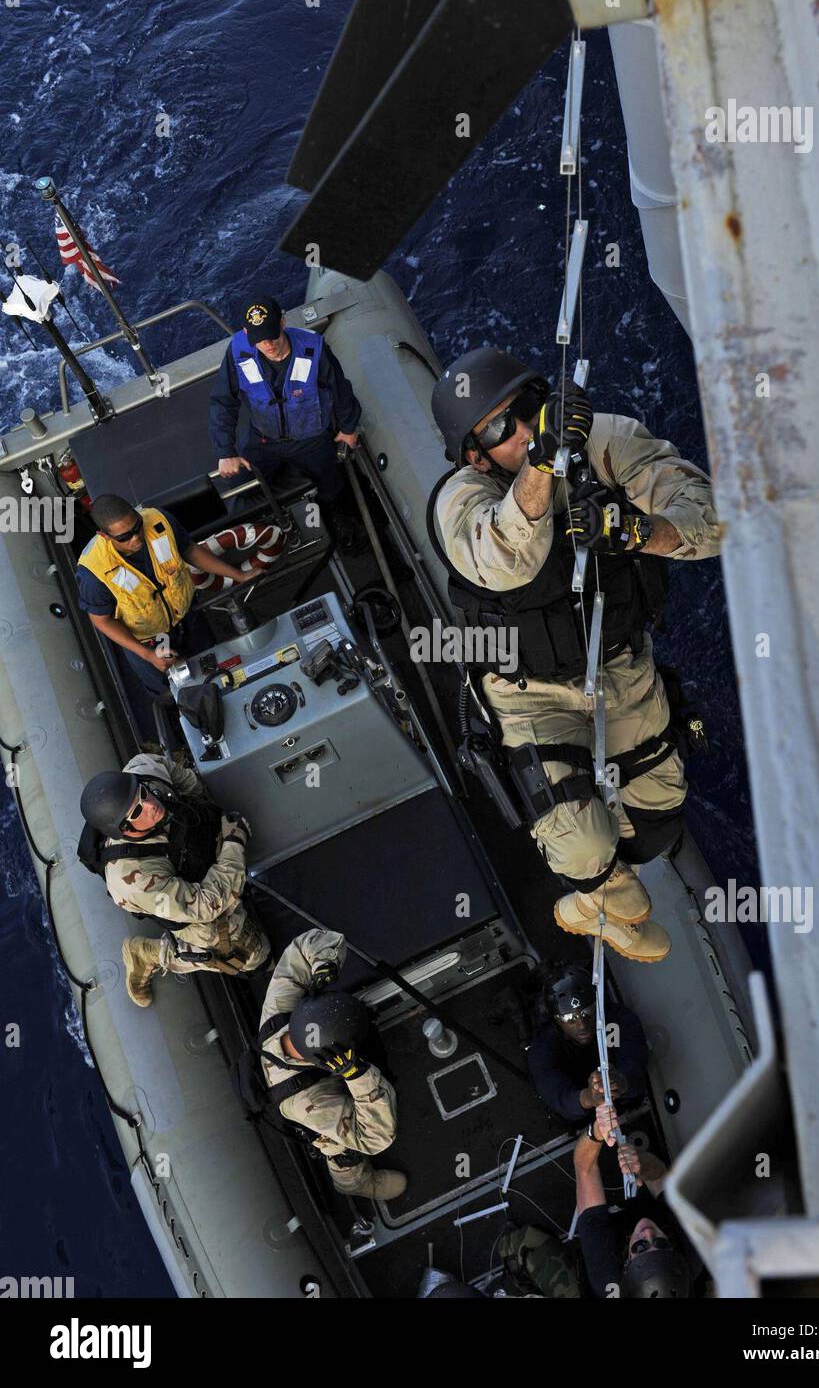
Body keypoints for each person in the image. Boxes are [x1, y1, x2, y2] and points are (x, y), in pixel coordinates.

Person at [429, 349, 721, 963]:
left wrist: (641, 532)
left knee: (660, 826)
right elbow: (501, 559)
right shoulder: (459, 500)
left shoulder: (604, 443)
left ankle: (600, 898)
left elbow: (711, 518)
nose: (525, 429)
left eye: (529, 411)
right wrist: (543, 460)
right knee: (585, 845)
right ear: (474, 455)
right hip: (530, 689)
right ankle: (594, 894)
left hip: (620, 665)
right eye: (498, 428)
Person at [79, 753, 270, 1007]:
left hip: (195, 844)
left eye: (143, 793)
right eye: (137, 811)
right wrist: (234, 841)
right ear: (124, 829)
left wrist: (212, 817)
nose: (150, 805)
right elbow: (207, 904)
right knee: (252, 955)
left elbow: (191, 784)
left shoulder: (145, 769)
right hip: (188, 897)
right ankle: (148, 954)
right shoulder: (133, 879)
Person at [258, 929, 406, 1202]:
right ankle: (354, 1183)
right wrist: (357, 1077)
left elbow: (303, 947)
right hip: (311, 1109)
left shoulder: (279, 1011)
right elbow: (376, 1137)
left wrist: (323, 965)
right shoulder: (311, 1104)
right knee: (339, 1147)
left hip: (315, 1077)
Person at [208, 293, 363, 545]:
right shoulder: (237, 352)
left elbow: (340, 389)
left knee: (332, 483)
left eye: (272, 335)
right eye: (260, 339)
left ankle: (336, 516)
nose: (268, 344)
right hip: (263, 438)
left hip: (311, 438)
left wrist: (348, 428)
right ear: (247, 333)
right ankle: (257, 528)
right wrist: (225, 449)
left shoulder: (314, 348)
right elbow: (223, 401)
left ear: (283, 322)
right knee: (240, 483)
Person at [77, 494, 253, 698]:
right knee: (172, 692)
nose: (136, 538)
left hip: (188, 619)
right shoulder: (94, 571)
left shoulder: (159, 520)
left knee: (211, 667)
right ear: (104, 536)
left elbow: (190, 551)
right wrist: (148, 655)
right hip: (151, 641)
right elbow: (102, 621)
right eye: (124, 537)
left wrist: (239, 575)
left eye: (137, 527)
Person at [573, 1101, 692, 1298]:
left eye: (641, 1247)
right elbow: (659, 1175)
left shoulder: (607, 1276)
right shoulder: (688, 1255)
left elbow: (584, 1168)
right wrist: (639, 1163)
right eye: (661, 1244)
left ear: (627, 1262)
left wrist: (595, 1133)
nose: (647, 1233)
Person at [527, 961, 648, 1125]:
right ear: (556, 1020)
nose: (581, 1025)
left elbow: (636, 1065)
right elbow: (558, 1097)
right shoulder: (543, 1047)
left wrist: (620, 1082)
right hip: (582, 1107)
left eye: (587, 1013)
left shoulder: (617, 1021)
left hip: (620, 1095)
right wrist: (590, 1097)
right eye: (569, 1019)